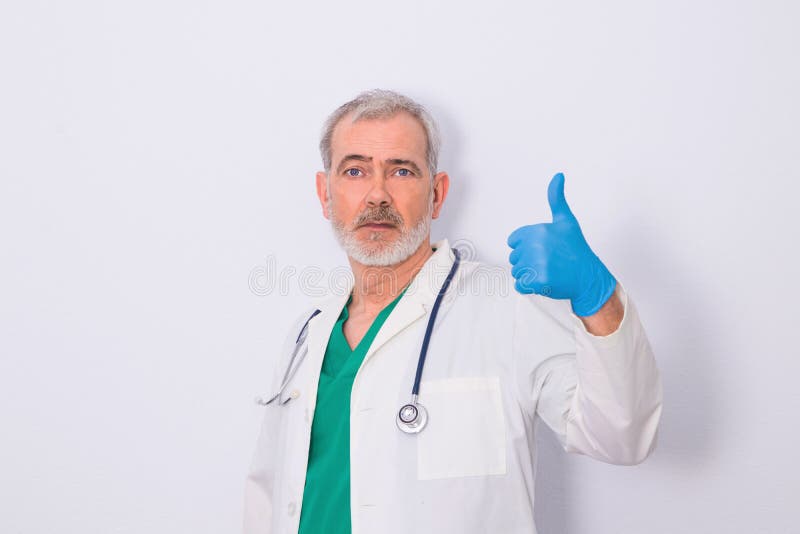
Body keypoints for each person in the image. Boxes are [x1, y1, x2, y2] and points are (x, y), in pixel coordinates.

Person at [243, 89, 663, 534]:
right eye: (354, 170)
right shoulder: (306, 335)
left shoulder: (508, 307)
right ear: (325, 194)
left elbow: (623, 437)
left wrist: (598, 298)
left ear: (437, 195)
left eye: (401, 170)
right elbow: (267, 497)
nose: (377, 194)